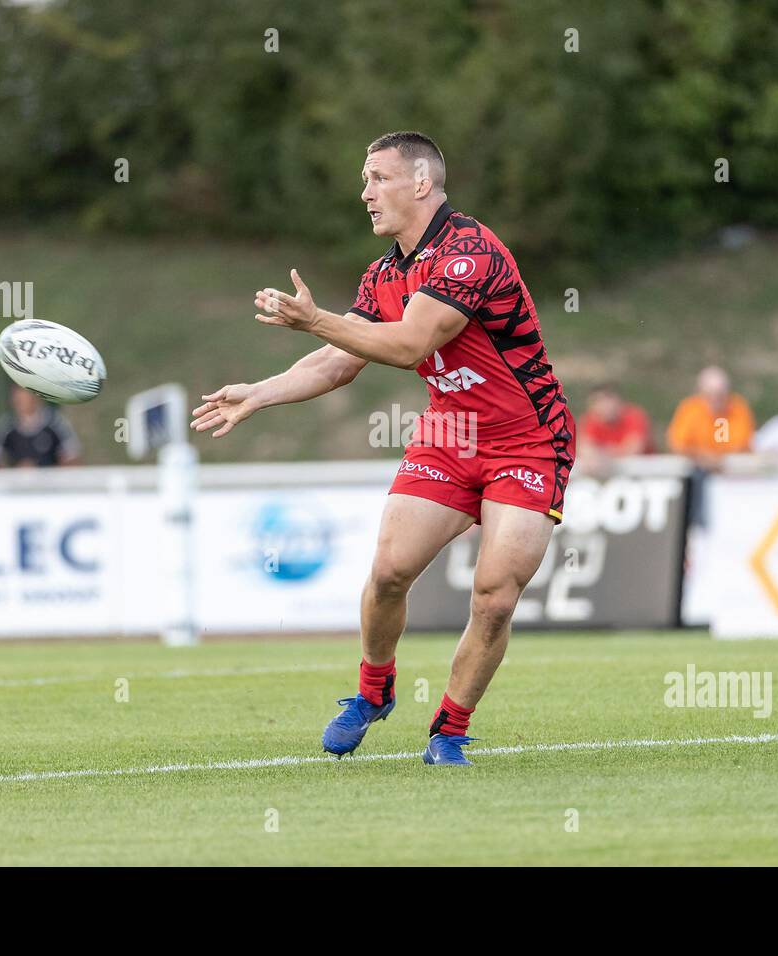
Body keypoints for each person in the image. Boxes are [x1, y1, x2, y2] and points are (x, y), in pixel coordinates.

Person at [191, 131, 575, 766]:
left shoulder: (468, 253)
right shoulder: (385, 274)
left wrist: (314, 317)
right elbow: (339, 361)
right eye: (364, 180)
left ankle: (450, 731)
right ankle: (374, 693)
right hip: (450, 433)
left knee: (496, 594)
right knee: (391, 570)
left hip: (527, 441)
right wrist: (259, 392)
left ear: (420, 183)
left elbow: (409, 345)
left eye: (377, 178)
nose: (365, 193)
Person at [666, 365, 755, 467]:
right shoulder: (690, 409)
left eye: (720, 395)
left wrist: (718, 457)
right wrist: (702, 455)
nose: (715, 400)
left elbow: (743, 443)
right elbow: (678, 443)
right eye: (710, 395)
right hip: (697, 468)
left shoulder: (738, 409)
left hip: (731, 469)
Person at [0, 383, 81, 467]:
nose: (19, 401)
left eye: (24, 396)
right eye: (16, 397)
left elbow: (71, 457)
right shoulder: (6, 424)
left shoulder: (54, 422)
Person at [578, 384, 653, 475]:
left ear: (618, 401)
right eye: (599, 402)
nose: (604, 407)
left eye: (607, 400)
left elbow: (634, 448)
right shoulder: (590, 420)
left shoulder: (634, 416)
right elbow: (586, 449)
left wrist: (604, 454)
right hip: (610, 474)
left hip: (643, 473)